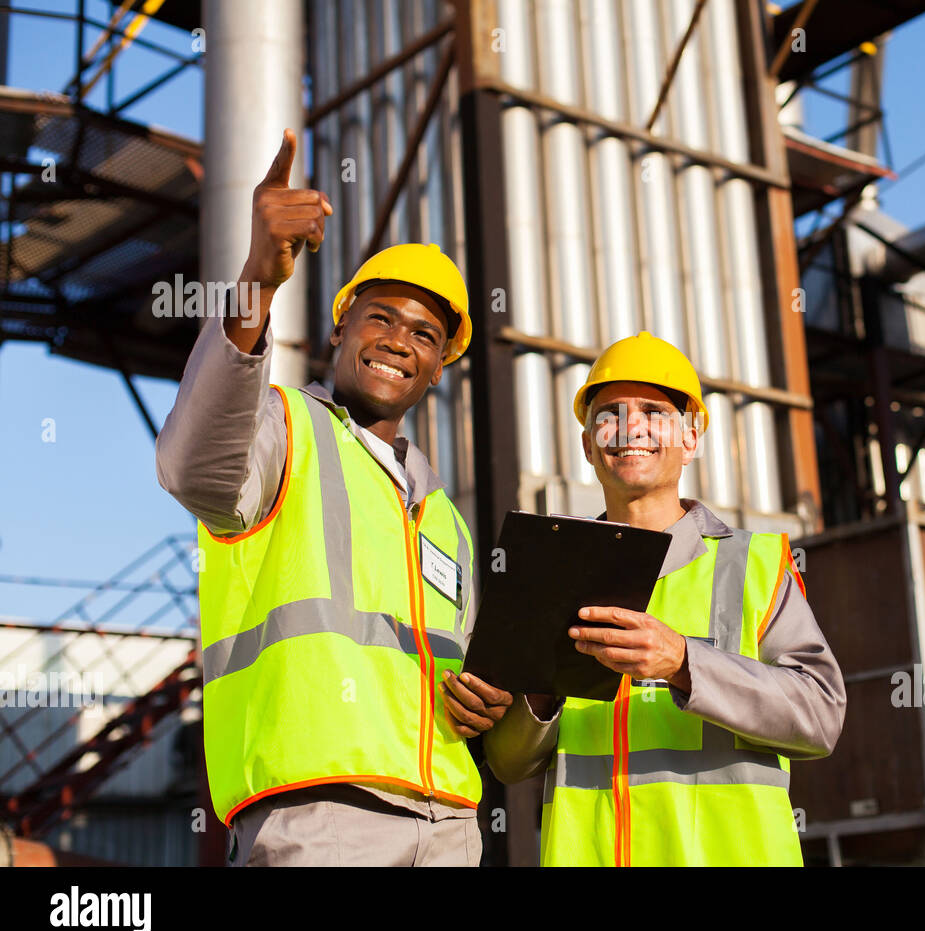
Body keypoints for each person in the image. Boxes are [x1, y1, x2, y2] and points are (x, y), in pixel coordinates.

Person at [156, 129, 512, 866]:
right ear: (341, 324)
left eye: (425, 333)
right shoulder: (284, 430)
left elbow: (464, 675)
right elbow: (192, 469)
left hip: (449, 825)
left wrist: (488, 703)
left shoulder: (443, 515)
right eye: (380, 316)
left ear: (439, 367)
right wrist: (260, 272)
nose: (399, 341)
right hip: (319, 816)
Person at [484, 331, 846, 865]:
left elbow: (820, 717)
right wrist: (543, 692)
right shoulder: (552, 572)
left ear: (690, 438)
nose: (631, 428)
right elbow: (508, 764)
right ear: (588, 444)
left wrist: (683, 662)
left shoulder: (752, 567)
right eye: (609, 414)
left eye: (653, 412)